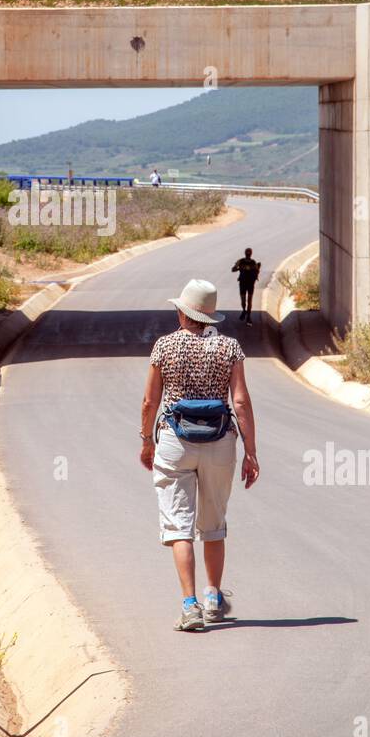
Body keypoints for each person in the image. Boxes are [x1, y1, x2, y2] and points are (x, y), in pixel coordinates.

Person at [140, 278, 259, 631]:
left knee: (179, 526)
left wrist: (147, 440)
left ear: (183, 313)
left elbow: (150, 401)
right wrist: (251, 452)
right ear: (210, 317)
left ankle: (189, 605)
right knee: (213, 524)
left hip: (175, 442)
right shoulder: (230, 349)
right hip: (220, 442)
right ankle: (212, 596)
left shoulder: (164, 347)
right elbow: (239, 401)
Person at [231, 247, 261, 324]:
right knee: (246, 300)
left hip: (247, 283)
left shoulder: (249, 262)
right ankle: (246, 313)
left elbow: (233, 269)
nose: (248, 254)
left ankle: (247, 315)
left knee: (247, 300)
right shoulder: (243, 262)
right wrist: (239, 268)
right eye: (248, 253)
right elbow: (233, 269)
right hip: (245, 283)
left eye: (249, 253)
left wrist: (239, 268)